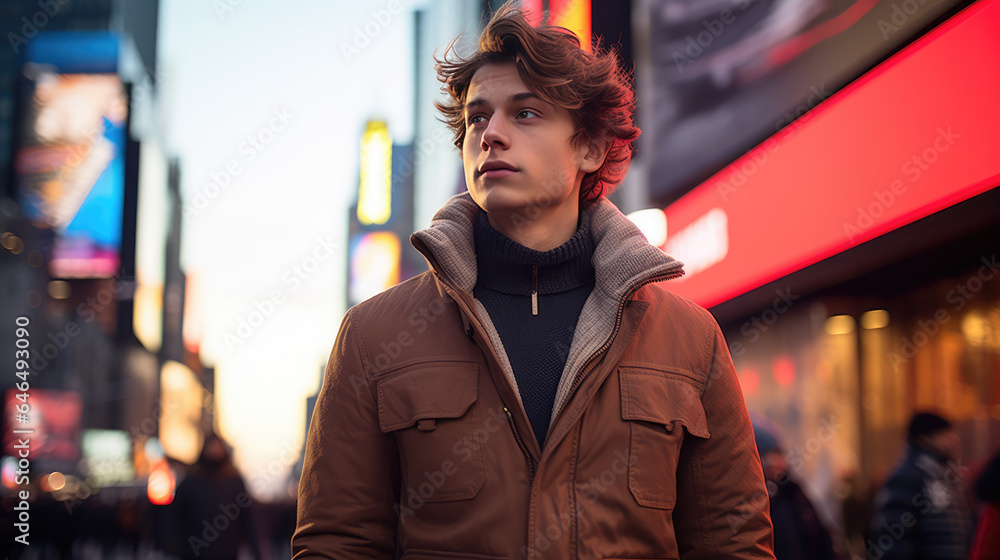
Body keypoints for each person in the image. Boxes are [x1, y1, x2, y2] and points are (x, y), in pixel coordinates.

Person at [292, 3, 775, 558]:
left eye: (525, 114)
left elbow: (733, 543)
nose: (491, 134)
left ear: (590, 147)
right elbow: (338, 543)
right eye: (477, 117)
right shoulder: (373, 336)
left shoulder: (689, 339)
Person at [868, 412, 973, 559]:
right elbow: (893, 538)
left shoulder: (941, 477)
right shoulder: (906, 477)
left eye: (952, 434)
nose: (953, 440)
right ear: (923, 439)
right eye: (944, 434)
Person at [752, 419, 838, 560]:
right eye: (766, 456)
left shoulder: (794, 493)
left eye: (777, 453)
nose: (774, 462)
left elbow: (822, 540)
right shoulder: (755, 502)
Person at [172, 433, 260, 560]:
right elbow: (175, 517)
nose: (214, 450)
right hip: (193, 552)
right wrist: (174, 545)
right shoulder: (190, 483)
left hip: (227, 552)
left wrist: (256, 550)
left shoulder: (235, 482)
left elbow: (247, 518)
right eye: (211, 446)